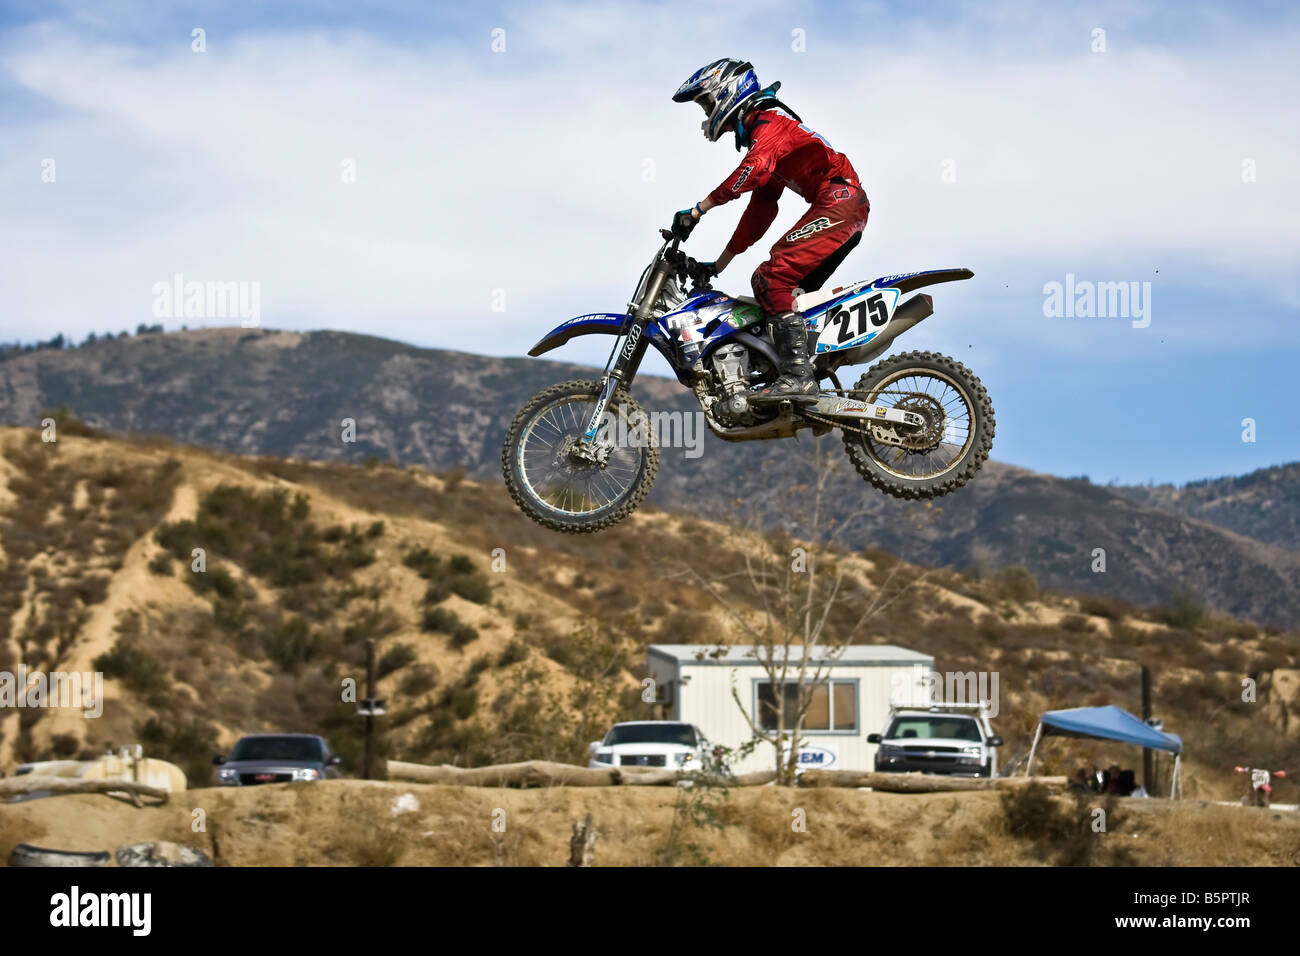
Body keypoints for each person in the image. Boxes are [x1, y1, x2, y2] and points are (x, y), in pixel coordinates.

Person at [668, 58, 870, 404]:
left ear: (727, 92)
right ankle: (799, 372)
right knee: (780, 291)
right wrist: (718, 266)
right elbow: (760, 211)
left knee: (772, 276)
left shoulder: (770, 122)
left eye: (706, 102)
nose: (706, 112)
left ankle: (798, 377)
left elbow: (754, 169)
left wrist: (699, 209)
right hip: (842, 205)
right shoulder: (769, 137)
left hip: (839, 201)